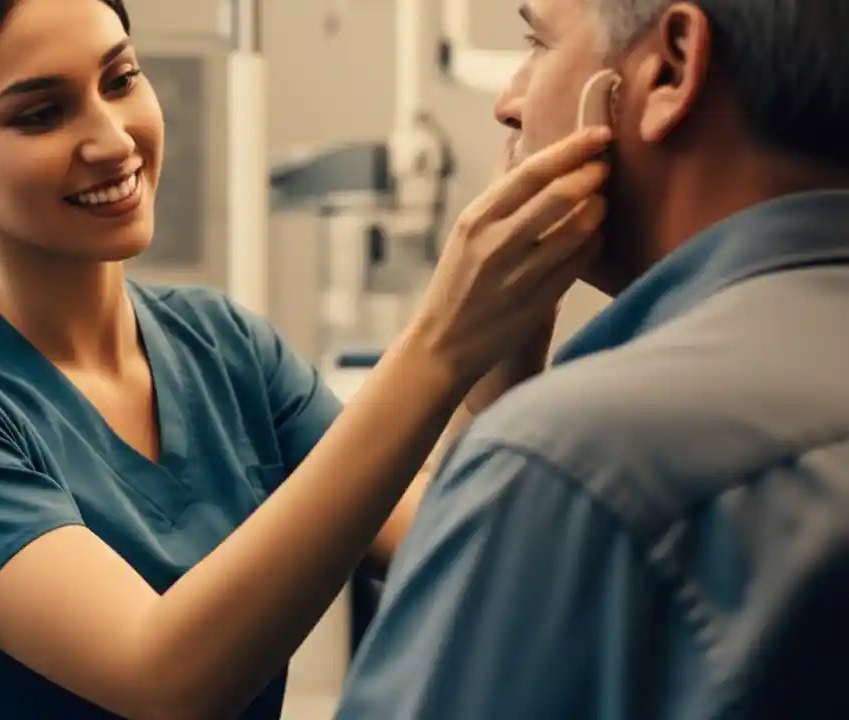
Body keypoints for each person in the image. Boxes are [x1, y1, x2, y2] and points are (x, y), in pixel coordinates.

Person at [0, 0, 613, 717]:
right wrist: (442, 342)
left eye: (121, 79)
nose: (112, 139)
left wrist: (511, 343)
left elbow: (468, 563)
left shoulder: (226, 348)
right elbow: (165, 681)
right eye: (42, 113)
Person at [336, 0, 849, 718]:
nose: (508, 104)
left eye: (536, 43)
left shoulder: (574, 464)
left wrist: (502, 422)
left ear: (671, 66)